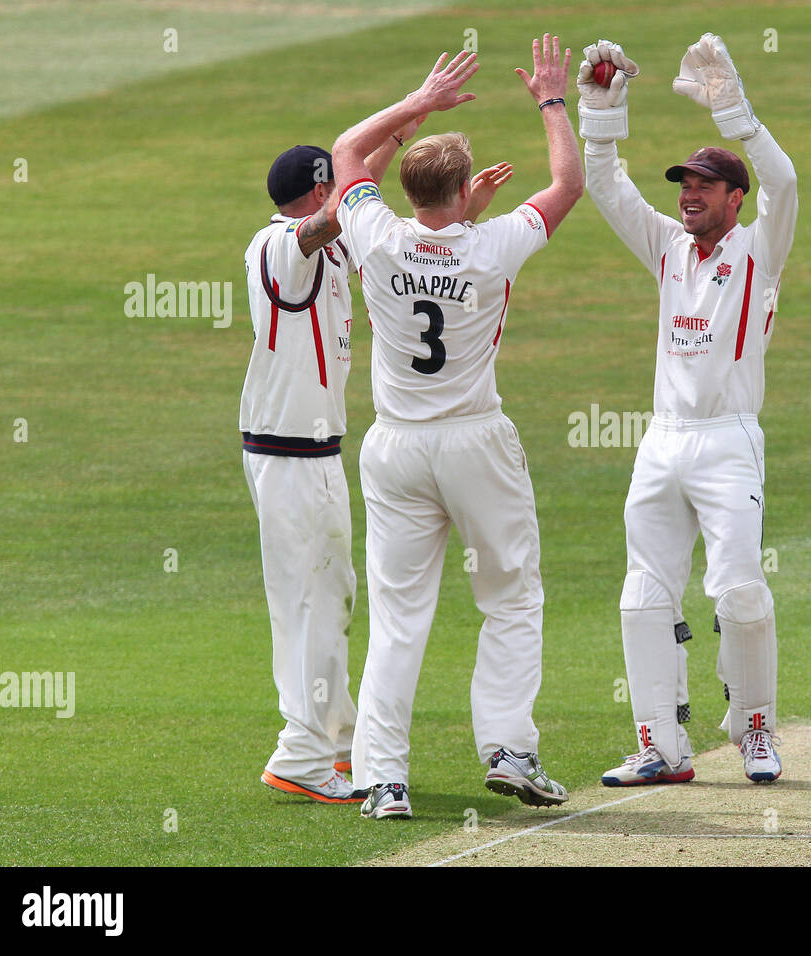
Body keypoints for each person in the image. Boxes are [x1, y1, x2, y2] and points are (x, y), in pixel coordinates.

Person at [330, 38, 584, 820]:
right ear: (465, 189)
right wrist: (550, 97)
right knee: (510, 596)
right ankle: (508, 749)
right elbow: (568, 183)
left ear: (403, 189)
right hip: (475, 440)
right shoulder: (493, 244)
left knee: (398, 618)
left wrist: (419, 101)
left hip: (395, 448)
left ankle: (385, 781)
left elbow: (346, 150)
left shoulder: (375, 233)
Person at [578, 35, 797, 785]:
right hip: (662, 441)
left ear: (735, 199)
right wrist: (602, 110)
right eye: (685, 183)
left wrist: (735, 111)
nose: (689, 193)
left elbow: (786, 180)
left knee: (738, 588)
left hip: (728, 441)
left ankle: (755, 729)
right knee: (643, 593)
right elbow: (607, 188)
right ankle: (661, 748)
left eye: (705, 184)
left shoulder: (760, 250)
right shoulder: (669, 248)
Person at [241, 133, 407, 804]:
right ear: (317, 193)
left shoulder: (328, 237)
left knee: (329, 599)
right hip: (289, 455)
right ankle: (301, 756)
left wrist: (401, 133)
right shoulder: (280, 247)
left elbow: (356, 192)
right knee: (309, 605)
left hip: (311, 452)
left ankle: (334, 744)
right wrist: (411, 110)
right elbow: (335, 212)